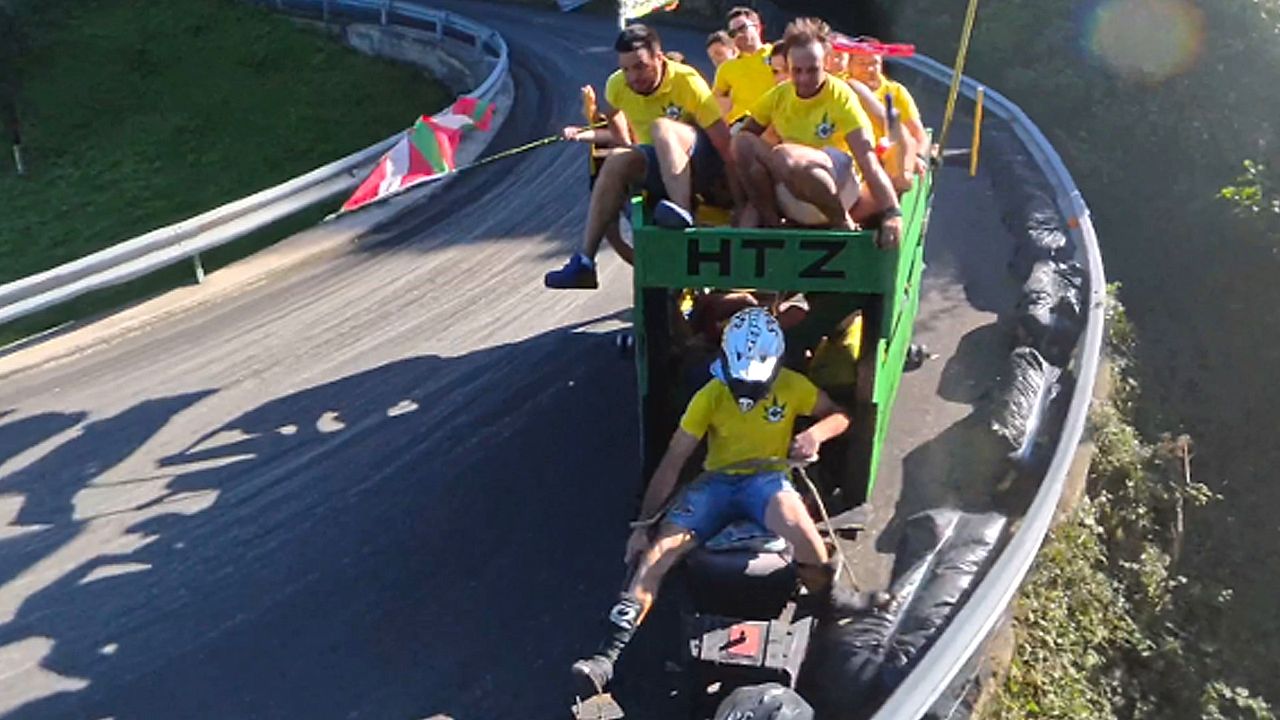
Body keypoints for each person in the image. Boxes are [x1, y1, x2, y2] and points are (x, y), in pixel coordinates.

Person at [571, 308, 855, 696]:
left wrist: (816, 435)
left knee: (809, 539)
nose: (745, 395)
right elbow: (673, 461)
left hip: (766, 481)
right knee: (655, 556)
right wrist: (642, 527)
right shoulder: (710, 395)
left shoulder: (793, 386)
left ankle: (828, 617)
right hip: (717, 484)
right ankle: (608, 657)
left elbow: (838, 415)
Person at [546, 25, 736, 290]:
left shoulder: (687, 81)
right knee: (617, 159)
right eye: (626, 69)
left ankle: (681, 215)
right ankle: (585, 262)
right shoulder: (618, 85)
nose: (633, 77)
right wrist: (625, 142)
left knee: (662, 128)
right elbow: (613, 113)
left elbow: (723, 142)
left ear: (659, 58)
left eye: (640, 67)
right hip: (658, 164)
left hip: (699, 162)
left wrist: (741, 197)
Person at [731, 18, 901, 241]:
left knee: (786, 155)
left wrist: (892, 212)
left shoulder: (840, 96)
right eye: (797, 71)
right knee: (742, 141)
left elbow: (867, 160)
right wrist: (741, 199)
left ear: (826, 62)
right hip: (791, 188)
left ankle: (841, 223)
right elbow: (744, 142)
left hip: (837, 186)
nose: (804, 79)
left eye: (812, 70)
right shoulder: (780, 95)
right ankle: (773, 225)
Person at [844, 37, 929, 189]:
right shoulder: (840, 89)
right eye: (862, 63)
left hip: (885, 160)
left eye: (874, 63)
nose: (869, 69)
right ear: (849, 65)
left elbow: (918, 133)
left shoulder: (895, 91)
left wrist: (918, 156)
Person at [712, 7, 776, 125]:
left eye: (742, 28)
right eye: (733, 33)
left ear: (757, 27)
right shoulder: (726, 68)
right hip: (740, 125)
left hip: (773, 122)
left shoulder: (777, 55)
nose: (738, 35)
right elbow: (715, 104)